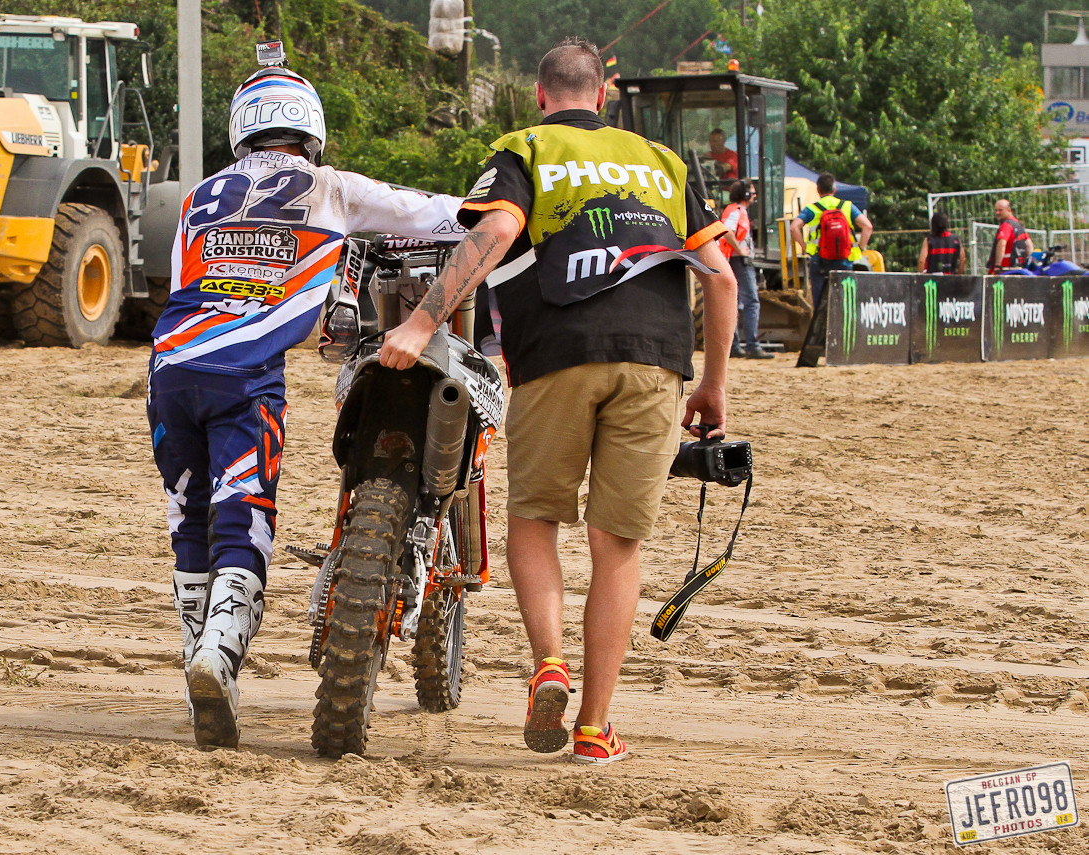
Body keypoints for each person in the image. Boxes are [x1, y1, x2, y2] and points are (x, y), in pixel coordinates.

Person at [379, 37, 737, 765]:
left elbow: (498, 229)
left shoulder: (525, 147)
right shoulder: (662, 162)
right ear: (602, 95)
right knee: (617, 547)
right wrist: (712, 384)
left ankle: (548, 663)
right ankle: (596, 729)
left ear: (541, 96)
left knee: (535, 518)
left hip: (554, 359)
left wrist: (420, 322)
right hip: (655, 367)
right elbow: (721, 279)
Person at [147, 64, 464, 750]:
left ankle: (198, 664)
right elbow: (443, 214)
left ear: (241, 128)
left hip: (169, 368)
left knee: (187, 517)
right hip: (245, 375)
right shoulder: (332, 188)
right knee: (243, 512)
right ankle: (219, 655)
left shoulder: (198, 196)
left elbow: (182, 281)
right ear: (310, 128)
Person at [789, 172, 873, 310]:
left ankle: (822, 330)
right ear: (834, 190)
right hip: (844, 259)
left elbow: (794, 228)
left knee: (820, 303)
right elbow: (868, 226)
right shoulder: (846, 206)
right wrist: (860, 248)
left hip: (819, 259)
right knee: (844, 301)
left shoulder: (812, 208)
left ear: (818, 190)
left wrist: (805, 247)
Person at [721, 180, 770, 358]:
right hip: (740, 260)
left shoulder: (732, 209)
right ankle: (752, 346)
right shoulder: (737, 211)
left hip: (730, 259)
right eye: (753, 192)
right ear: (746, 195)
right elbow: (726, 230)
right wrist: (740, 249)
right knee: (752, 302)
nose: (755, 196)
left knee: (736, 303)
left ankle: (735, 346)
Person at [986, 198, 1032, 273]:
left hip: (1005, 269)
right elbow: (1029, 246)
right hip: (1019, 268)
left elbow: (1002, 244)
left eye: (1000, 210)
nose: (997, 212)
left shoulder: (1006, 225)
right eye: (996, 210)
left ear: (1009, 210)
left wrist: (997, 266)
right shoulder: (1018, 225)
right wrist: (1027, 263)